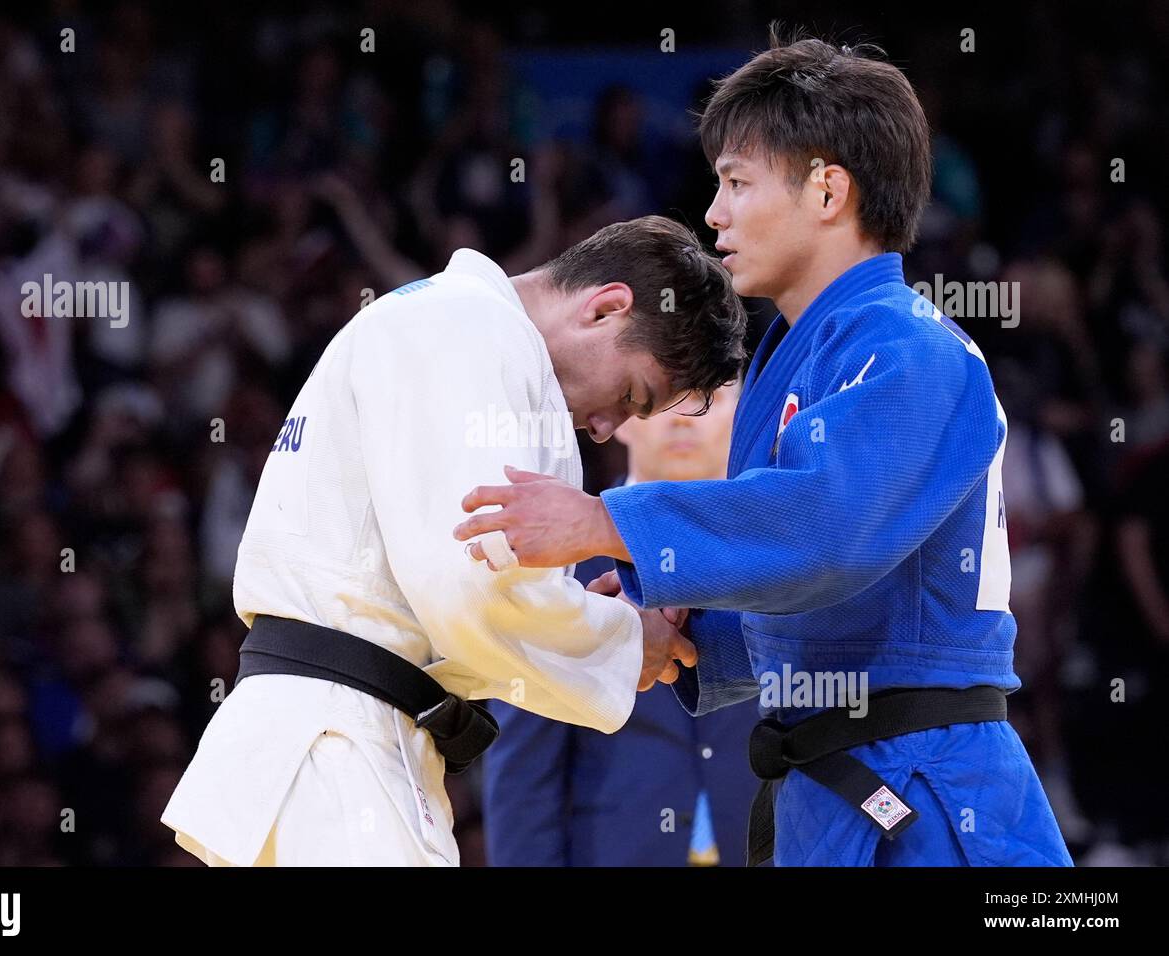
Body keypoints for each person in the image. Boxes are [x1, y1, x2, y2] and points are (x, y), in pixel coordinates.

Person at [453, 34, 1073, 866]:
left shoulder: (909, 348)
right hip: (829, 789)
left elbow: (824, 530)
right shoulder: (798, 356)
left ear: (827, 190)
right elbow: (825, 610)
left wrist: (606, 521)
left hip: (929, 792)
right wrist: (686, 635)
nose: (714, 213)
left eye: (738, 183)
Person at [162, 215, 745, 866]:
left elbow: (457, 600)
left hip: (322, 746)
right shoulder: (473, 332)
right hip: (336, 755)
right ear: (606, 308)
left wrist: (585, 616)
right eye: (631, 395)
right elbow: (472, 587)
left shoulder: (441, 320)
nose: (606, 429)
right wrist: (629, 640)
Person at [484, 384, 760, 866]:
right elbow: (522, 767)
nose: (682, 418)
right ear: (624, 411)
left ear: (745, 408)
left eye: (708, 398)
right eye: (668, 396)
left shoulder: (786, 553)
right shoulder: (559, 560)